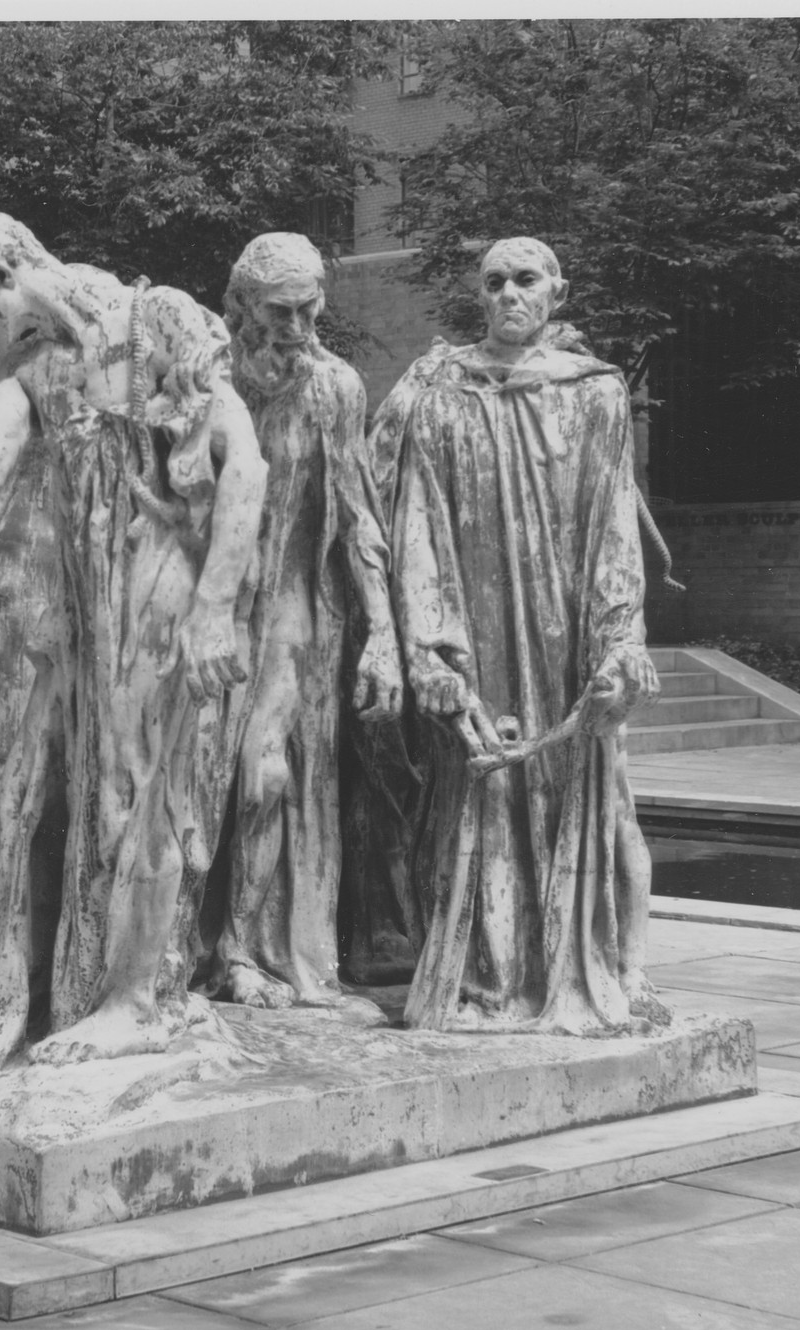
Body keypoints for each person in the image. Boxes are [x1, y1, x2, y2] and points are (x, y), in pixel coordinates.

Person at [0, 214, 269, 1091]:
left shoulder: (154, 320)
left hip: (162, 593)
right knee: (89, 798)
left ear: (6, 274)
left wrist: (216, 605)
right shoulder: (33, 366)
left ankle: (134, 1003)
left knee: (145, 796)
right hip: (85, 614)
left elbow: (247, 466)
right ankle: (75, 991)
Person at [376, 237, 667, 1035]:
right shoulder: (439, 392)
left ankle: (592, 968)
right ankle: (485, 976)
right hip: (478, 640)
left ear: (556, 292)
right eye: (495, 280)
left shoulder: (597, 394)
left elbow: (614, 525)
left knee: (592, 801)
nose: (510, 293)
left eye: (526, 279)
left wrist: (618, 642)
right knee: (474, 798)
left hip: (566, 643)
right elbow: (417, 529)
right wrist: (430, 652)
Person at [208, 233, 402, 1022]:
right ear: (242, 306)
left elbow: (358, 515)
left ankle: (258, 949)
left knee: (273, 779)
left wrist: (382, 629)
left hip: (297, 610)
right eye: (278, 310)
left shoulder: (334, 386)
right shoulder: (207, 375)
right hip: (208, 608)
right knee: (203, 780)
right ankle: (198, 950)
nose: (296, 324)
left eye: (309, 307)